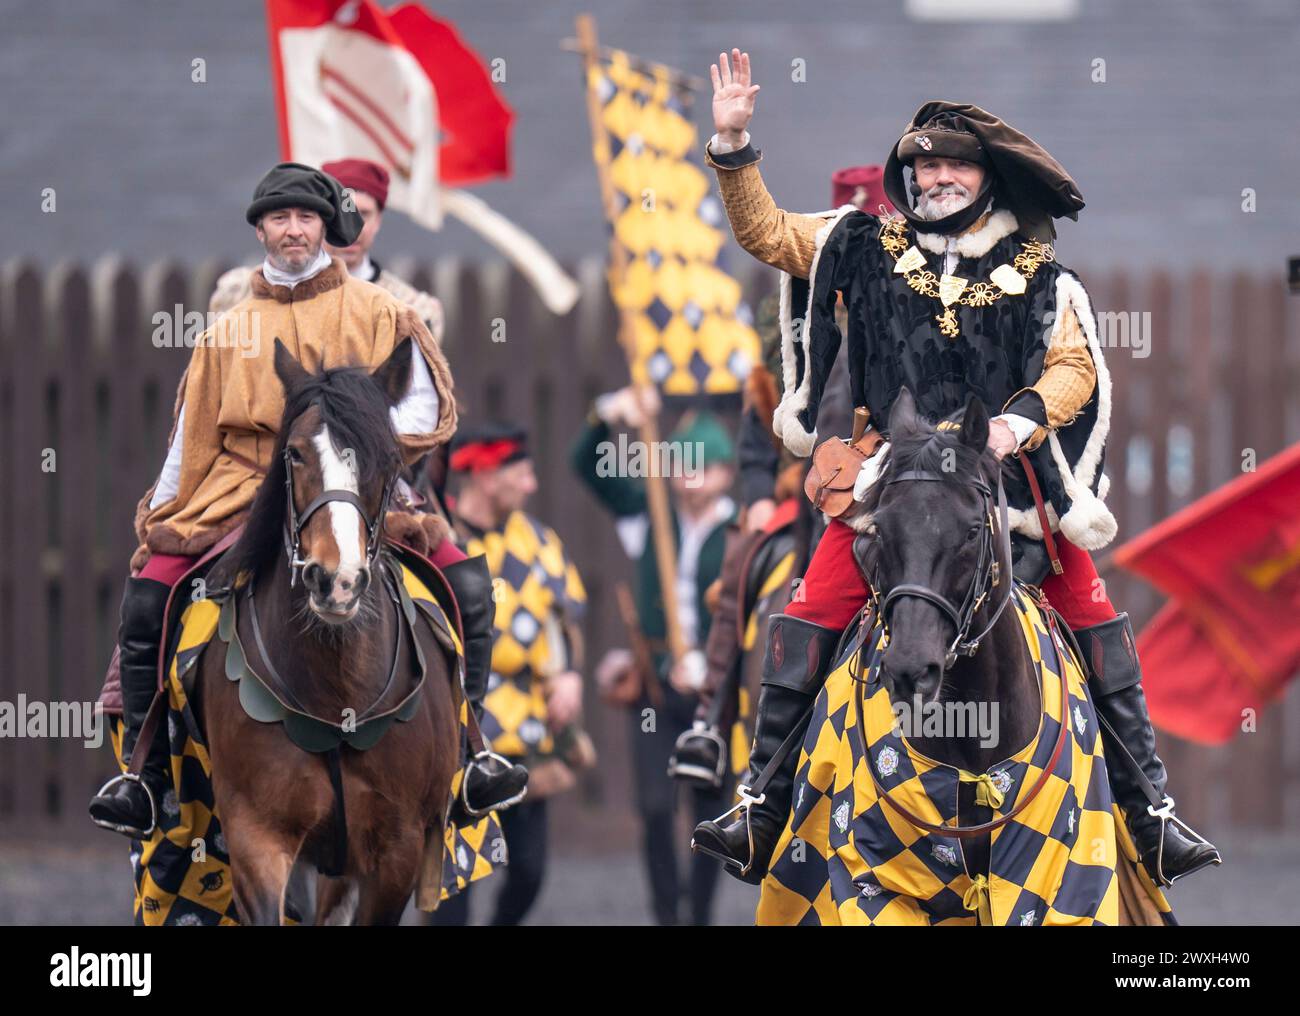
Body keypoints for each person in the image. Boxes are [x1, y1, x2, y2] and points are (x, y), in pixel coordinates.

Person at [691, 50, 1219, 888]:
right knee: (812, 603)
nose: (933, 176)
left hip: (1004, 483)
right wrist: (734, 145)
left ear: (986, 178)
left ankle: (1147, 809)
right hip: (891, 481)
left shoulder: (1042, 277)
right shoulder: (863, 246)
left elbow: (1076, 369)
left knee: (1090, 607)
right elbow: (768, 234)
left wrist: (1021, 419)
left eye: (950, 164)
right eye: (922, 164)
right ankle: (762, 802)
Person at [89, 162, 526, 839]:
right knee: (148, 594)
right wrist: (162, 520)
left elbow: (425, 404)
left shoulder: (382, 312)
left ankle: (473, 751)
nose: (293, 229)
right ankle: (143, 781)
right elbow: (191, 435)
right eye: (280, 218)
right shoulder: (226, 330)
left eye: (306, 218)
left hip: (356, 485)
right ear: (260, 229)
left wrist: (362, 447)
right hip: (242, 489)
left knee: (468, 581)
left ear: (326, 227)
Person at [569, 389, 738, 924]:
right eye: (684, 465)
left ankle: (701, 913)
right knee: (655, 806)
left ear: (725, 473)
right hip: (656, 687)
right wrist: (607, 415)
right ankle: (668, 914)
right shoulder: (648, 513)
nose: (692, 476)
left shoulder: (741, 531)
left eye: (705, 467)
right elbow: (585, 465)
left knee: (711, 812)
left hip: (717, 692)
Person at [430, 422, 590, 925]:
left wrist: (570, 675)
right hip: (455, 733)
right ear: (483, 474)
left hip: (525, 733)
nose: (532, 485)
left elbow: (566, 624)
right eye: (520, 473)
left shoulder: (539, 541)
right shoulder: (440, 544)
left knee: (529, 871)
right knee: (453, 882)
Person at [209, 158, 442, 333]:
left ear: (379, 219)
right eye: (346, 213)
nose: (354, 227)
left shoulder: (409, 309)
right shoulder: (238, 292)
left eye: (364, 214)